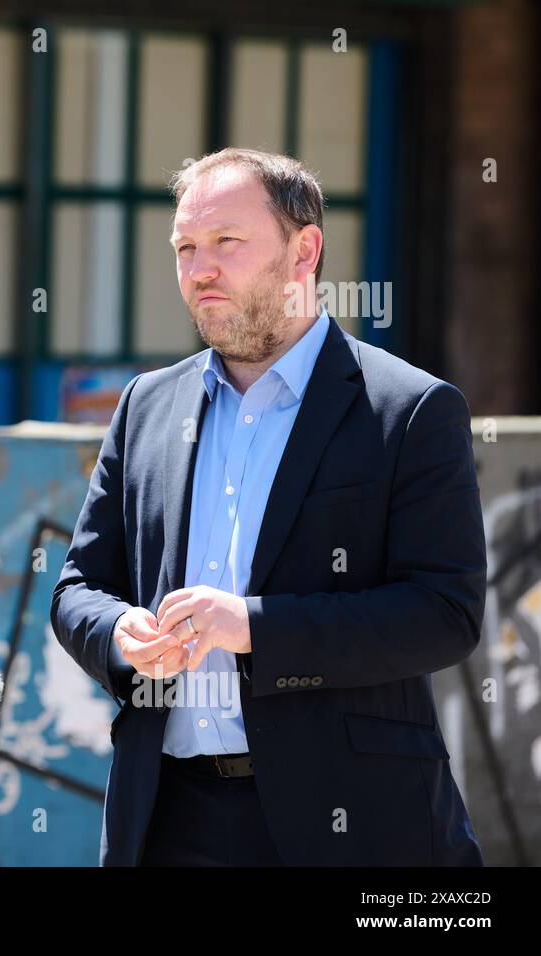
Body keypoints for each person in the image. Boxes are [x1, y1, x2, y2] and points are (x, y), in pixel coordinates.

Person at [50, 147, 485, 866]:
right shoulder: (146, 408)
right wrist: (121, 632)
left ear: (303, 250)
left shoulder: (410, 411)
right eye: (185, 247)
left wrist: (252, 626)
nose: (199, 269)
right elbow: (76, 590)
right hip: (164, 820)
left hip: (351, 825)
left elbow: (445, 614)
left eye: (226, 242)